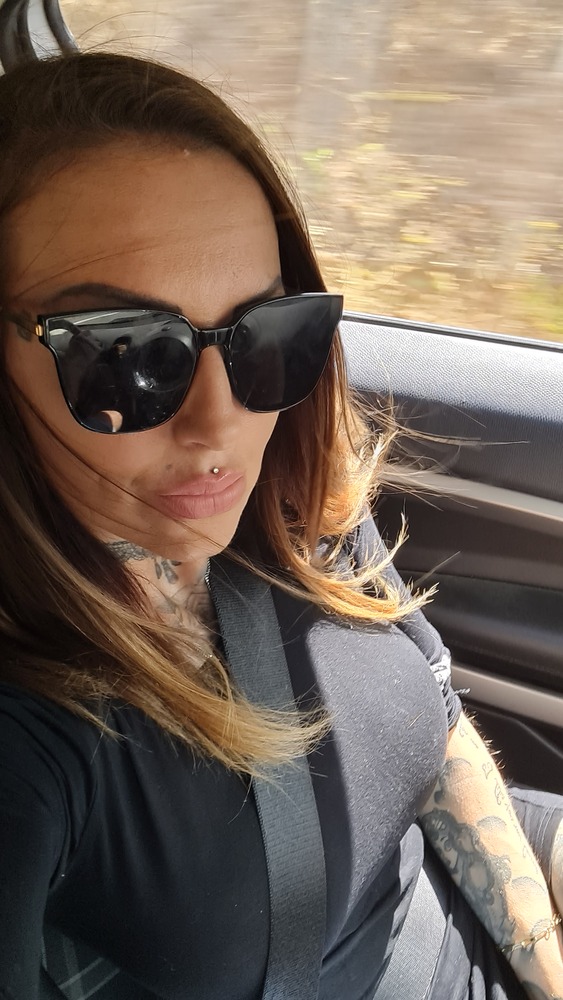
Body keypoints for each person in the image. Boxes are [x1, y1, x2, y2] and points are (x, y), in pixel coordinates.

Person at [0, 50, 561, 1000]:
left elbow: (440, 730)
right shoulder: (33, 734)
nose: (221, 425)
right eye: (125, 354)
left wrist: (543, 960)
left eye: (267, 336)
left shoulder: (290, 507)